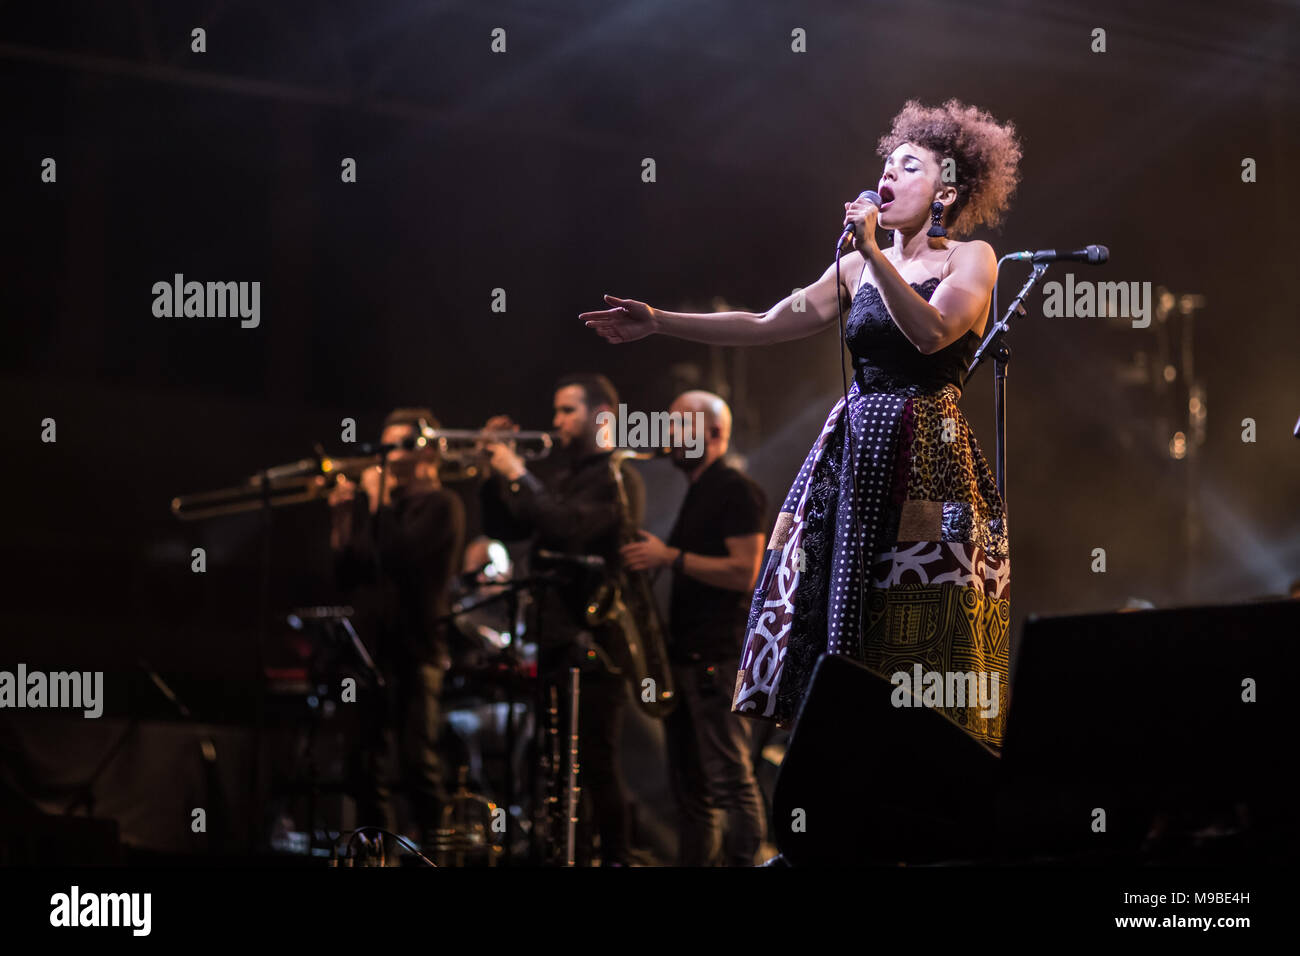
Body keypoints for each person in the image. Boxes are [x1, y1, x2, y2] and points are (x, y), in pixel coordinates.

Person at [581, 99, 1020, 749]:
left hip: (929, 448)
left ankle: (920, 791)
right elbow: (766, 322)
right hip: (853, 450)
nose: (887, 178)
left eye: (909, 167)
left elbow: (932, 335)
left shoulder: (969, 259)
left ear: (946, 192)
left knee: (916, 620)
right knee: (836, 611)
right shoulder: (853, 268)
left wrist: (872, 252)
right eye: (887, 166)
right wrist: (659, 319)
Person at [478, 373, 645, 865]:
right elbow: (506, 527)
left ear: (602, 416)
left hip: (592, 641)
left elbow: (567, 527)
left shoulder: (618, 478)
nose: (555, 422)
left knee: (597, 764)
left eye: (567, 410)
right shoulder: (565, 477)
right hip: (553, 637)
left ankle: (614, 858)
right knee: (555, 768)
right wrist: (495, 472)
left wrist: (517, 470)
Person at [619, 390, 767, 866]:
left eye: (680, 424)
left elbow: (745, 571)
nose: (668, 435)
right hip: (685, 658)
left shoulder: (735, 489)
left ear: (716, 434)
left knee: (729, 781)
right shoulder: (699, 491)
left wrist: (669, 557)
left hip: (715, 658)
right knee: (691, 792)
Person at [328, 407, 466, 853]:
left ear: (423, 449)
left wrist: (379, 500)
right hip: (368, 648)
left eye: (396, 446)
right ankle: (377, 856)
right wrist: (344, 519)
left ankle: (436, 856)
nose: (386, 457)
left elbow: (404, 558)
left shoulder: (443, 506)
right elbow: (349, 573)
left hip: (417, 646)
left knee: (416, 764)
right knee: (360, 763)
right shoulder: (382, 506)